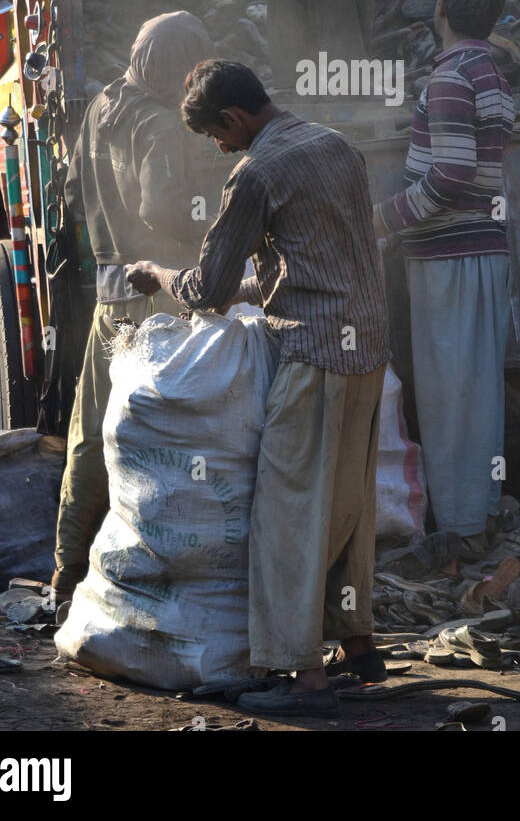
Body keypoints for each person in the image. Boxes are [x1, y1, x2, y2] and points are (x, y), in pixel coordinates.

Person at [126, 61, 390, 715]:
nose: (218, 150)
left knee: (287, 517)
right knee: (346, 508)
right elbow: (300, 268)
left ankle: (305, 678)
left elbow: (210, 289)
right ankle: (358, 648)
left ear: (233, 120)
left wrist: (157, 273)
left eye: (216, 137)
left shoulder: (256, 172)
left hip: (314, 354)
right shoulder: (334, 144)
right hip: (368, 350)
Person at [51, 11, 213, 608]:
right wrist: (218, 216)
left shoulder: (101, 107)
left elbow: (71, 194)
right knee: (161, 436)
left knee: (92, 431)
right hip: (159, 296)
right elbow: (163, 210)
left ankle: (69, 571)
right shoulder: (159, 125)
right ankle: (153, 572)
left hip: (109, 293)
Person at [373, 0, 514, 555]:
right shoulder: (492, 73)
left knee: (450, 395)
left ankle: (459, 531)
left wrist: (381, 221)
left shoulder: (452, 77)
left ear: (442, 12)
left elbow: (451, 174)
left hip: (450, 256)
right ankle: (475, 518)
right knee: (476, 391)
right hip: (479, 249)